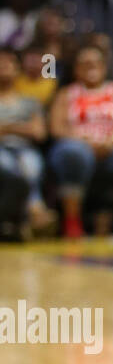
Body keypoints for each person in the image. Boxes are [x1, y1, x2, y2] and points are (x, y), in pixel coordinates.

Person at [48, 44, 113, 239]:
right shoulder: (66, 94)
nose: (91, 67)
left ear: (105, 67)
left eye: (96, 63)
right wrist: (83, 141)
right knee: (73, 153)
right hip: (79, 144)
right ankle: (72, 223)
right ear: (76, 69)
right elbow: (57, 128)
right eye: (85, 63)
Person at [0, 47, 55, 235]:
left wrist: (5, 127)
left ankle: (28, 214)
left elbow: (39, 133)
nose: (4, 66)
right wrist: (21, 127)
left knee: (30, 166)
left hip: (25, 149)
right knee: (8, 166)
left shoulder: (30, 102)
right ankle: (33, 212)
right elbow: (30, 129)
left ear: (18, 69)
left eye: (9, 62)